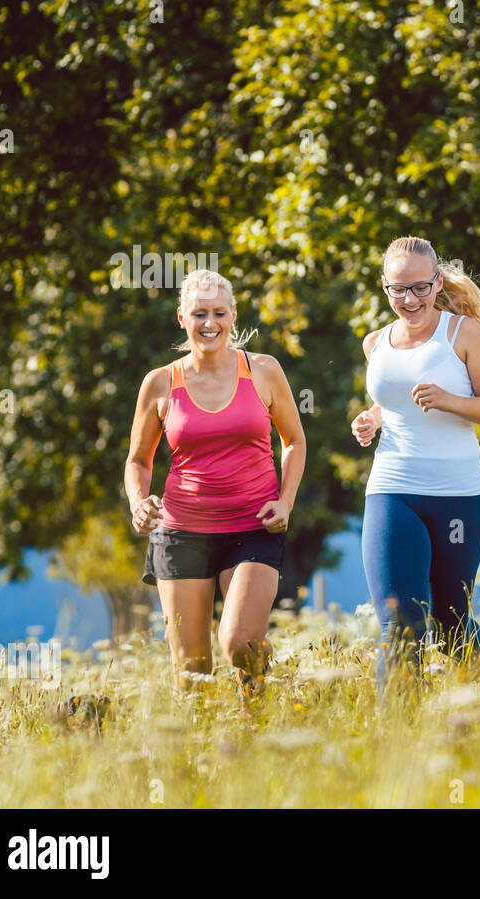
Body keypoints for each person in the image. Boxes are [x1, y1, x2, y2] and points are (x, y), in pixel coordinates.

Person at [125, 269, 306, 702]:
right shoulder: (160, 382)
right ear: (181, 318)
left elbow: (295, 441)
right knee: (192, 674)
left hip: (253, 528)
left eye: (219, 313)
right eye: (199, 313)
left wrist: (285, 502)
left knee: (241, 644)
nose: (210, 323)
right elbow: (137, 460)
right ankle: (204, 760)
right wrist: (138, 502)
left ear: (233, 314)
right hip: (182, 532)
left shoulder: (262, 370)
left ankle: (258, 723)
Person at [351, 237, 480, 683]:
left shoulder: (462, 334)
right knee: (400, 623)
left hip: (457, 496)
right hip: (392, 487)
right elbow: (395, 402)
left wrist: (449, 401)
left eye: (421, 287)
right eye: (398, 289)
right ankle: (399, 737)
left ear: (438, 282)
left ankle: (474, 704)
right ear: (384, 288)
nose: (410, 299)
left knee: (449, 617)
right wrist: (371, 419)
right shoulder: (374, 343)